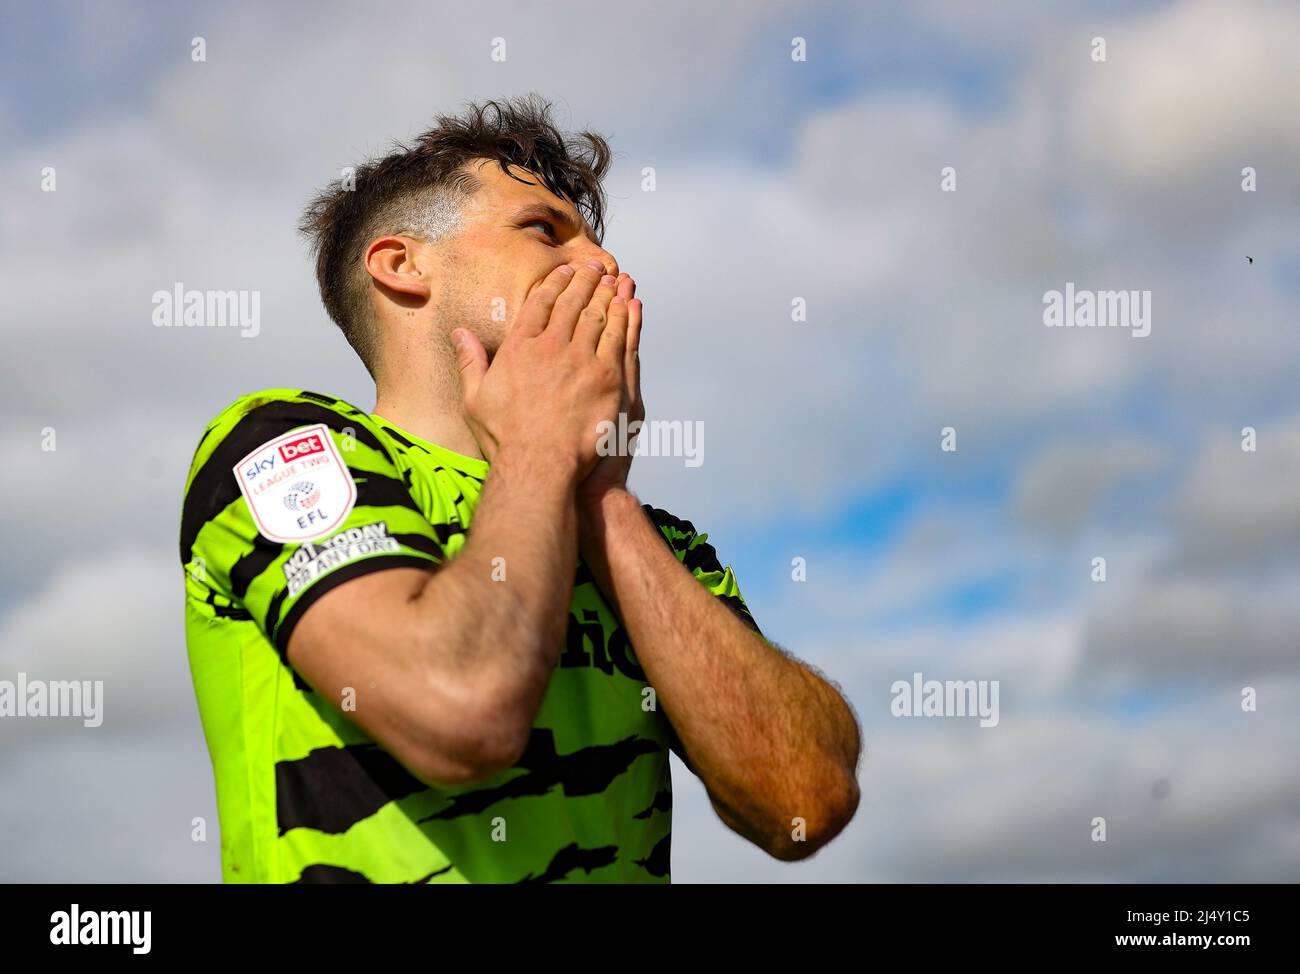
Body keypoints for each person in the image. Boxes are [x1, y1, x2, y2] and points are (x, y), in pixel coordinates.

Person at [179, 94, 861, 883]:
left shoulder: (661, 542)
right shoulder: (285, 445)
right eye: (546, 230)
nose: (606, 267)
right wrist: (541, 444)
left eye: (600, 243)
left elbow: (805, 800)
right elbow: (458, 710)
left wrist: (601, 497)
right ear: (403, 266)